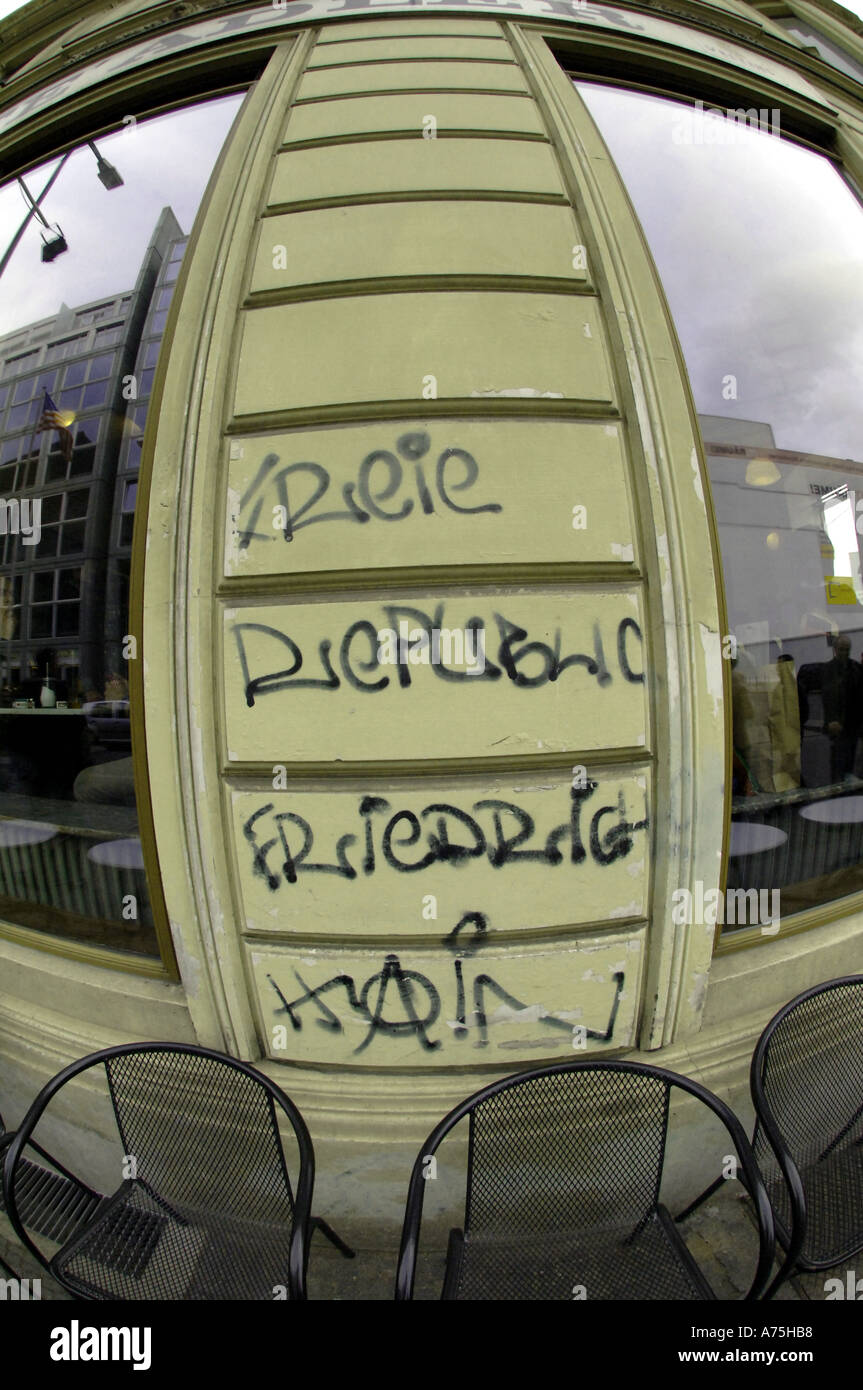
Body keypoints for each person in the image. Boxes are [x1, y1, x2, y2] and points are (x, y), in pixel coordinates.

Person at [820, 634, 863, 781]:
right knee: (838, 766)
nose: (844, 653)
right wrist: (831, 720)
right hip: (837, 725)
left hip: (853, 723)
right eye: (841, 649)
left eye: (847, 650)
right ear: (835, 650)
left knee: (850, 765)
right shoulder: (827, 669)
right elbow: (828, 697)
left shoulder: (856, 669)